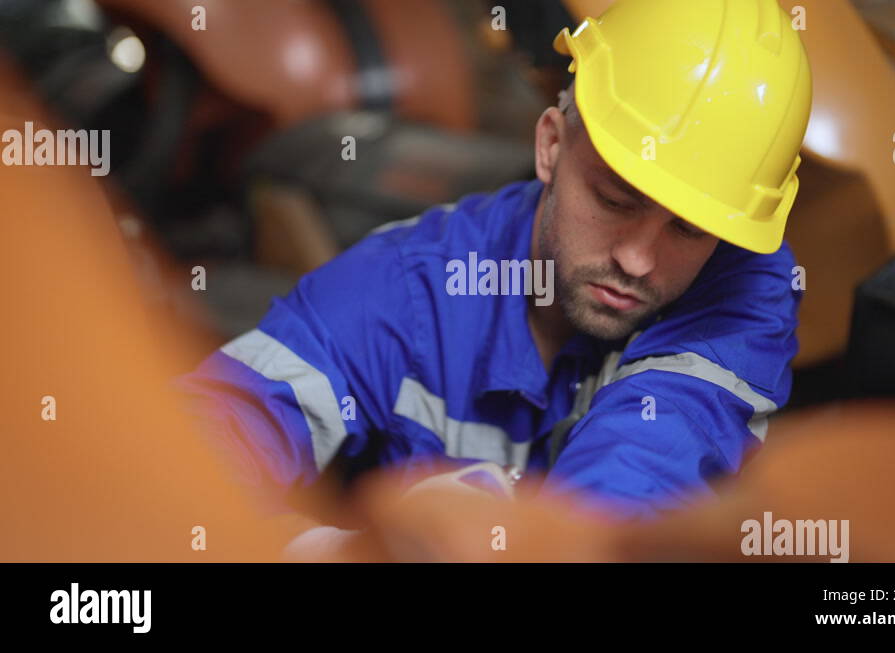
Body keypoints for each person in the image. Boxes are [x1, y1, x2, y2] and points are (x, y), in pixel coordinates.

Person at [176, 0, 813, 523]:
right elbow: (202, 438)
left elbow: (648, 461)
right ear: (551, 145)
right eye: (615, 200)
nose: (639, 260)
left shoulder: (745, 287)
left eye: (689, 230)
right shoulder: (409, 287)